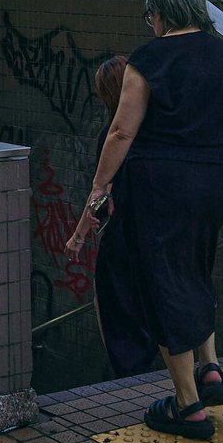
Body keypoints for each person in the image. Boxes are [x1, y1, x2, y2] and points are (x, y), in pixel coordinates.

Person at [65, 0, 223, 440]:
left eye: (150, 11)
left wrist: (98, 191)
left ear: (162, 10)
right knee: (193, 267)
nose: (149, 20)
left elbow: (123, 130)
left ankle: (189, 406)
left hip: (161, 182)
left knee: (162, 280)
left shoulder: (149, 58)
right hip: (215, 178)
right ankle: (210, 366)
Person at [68, 55, 159, 378]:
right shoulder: (159, 130)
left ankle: (127, 375)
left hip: (122, 236)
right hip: (159, 230)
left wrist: (79, 234)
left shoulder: (113, 135)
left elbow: (101, 190)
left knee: (114, 304)